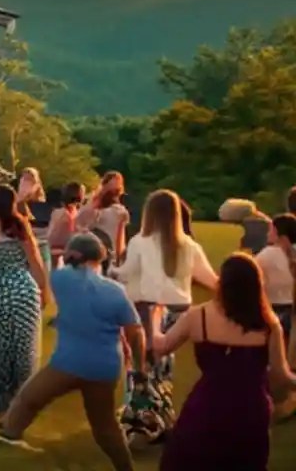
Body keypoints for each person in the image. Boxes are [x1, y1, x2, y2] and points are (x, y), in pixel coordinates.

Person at [0, 233, 144, 470]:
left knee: (28, 399)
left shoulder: (62, 279)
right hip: (105, 368)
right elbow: (135, 332)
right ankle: (125, 466)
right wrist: (140, 367)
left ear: (73, 256)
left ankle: (8, 437)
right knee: (105, 426)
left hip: (67, 364)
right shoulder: (116, 291)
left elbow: (56, 270)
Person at [154, 254, 296, 470]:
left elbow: (162, 346)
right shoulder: (269, 325)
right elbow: (281, 375)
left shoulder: (198, 316)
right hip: (250, 411)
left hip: (207, 407)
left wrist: (154, 319)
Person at [113, 189, 217, 444]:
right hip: (180, 314)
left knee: (141, 367)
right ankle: (162, 418)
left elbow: (126, 273)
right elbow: (211, 279)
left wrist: (110, 269)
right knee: (163, 371)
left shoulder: (140, 241)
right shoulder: (190, 246)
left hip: (149, 312)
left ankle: (141, 421)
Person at [0, 184, 47, 414]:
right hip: (24, 291)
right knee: (24, 349)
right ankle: (23, 400)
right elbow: (35, 261)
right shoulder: (20, 224)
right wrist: (44, 290)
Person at [77, 171, 130, 269]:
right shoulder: (118, 212)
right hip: (106, 255)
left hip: (93, 254)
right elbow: (120, 242)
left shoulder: (92, 209)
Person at [257, 214, 295, 345]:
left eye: (270, 230)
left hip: (272, 308)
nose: (268, 233)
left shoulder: (266, 254)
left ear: (278, 233)